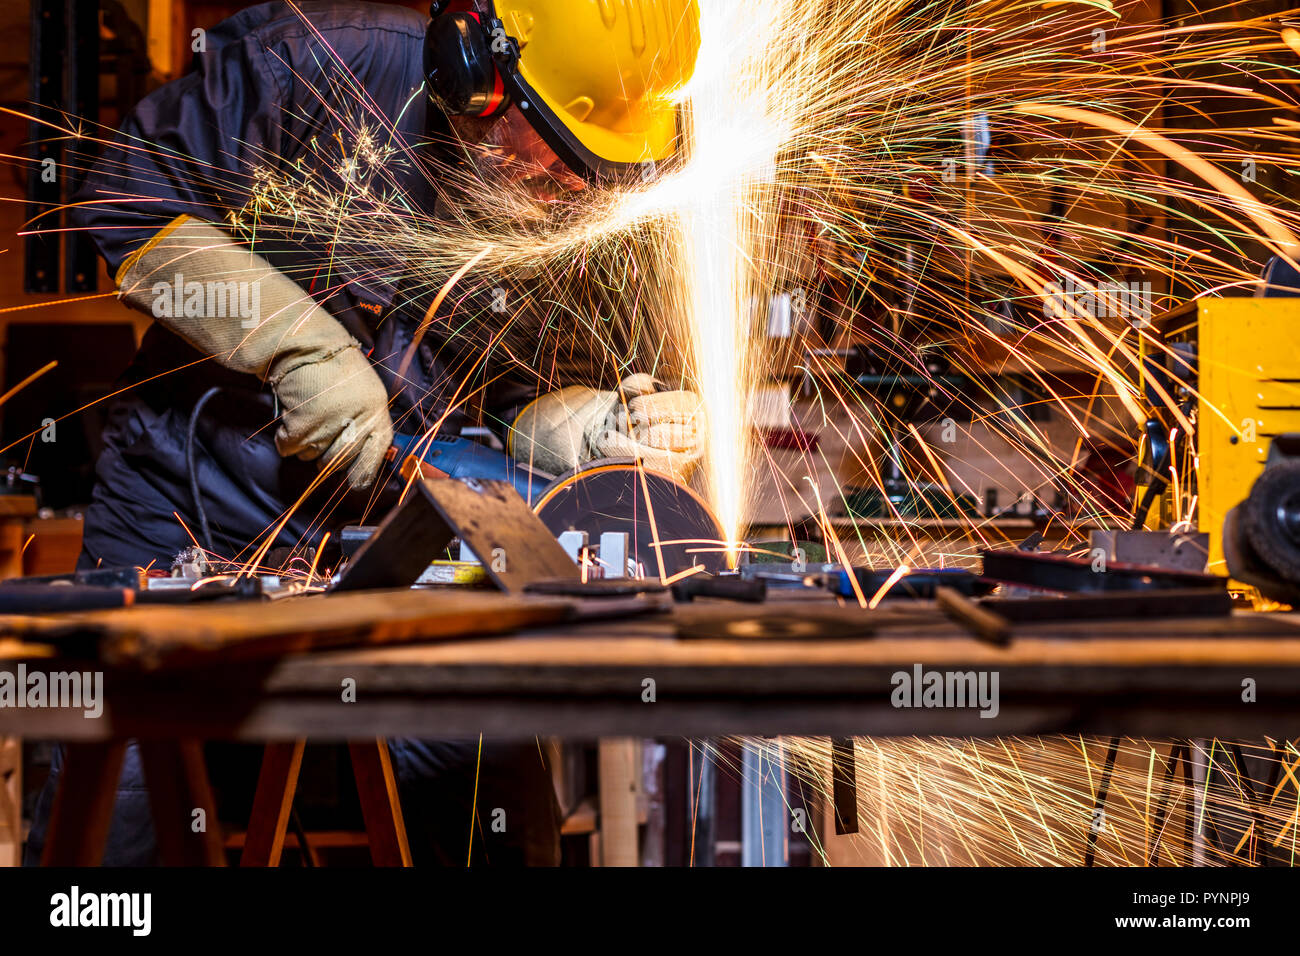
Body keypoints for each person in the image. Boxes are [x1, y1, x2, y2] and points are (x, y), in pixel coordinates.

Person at [25, 0, 703, 866]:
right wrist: (289, 343)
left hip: (398, 542)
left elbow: (501, 399)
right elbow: (123, 200)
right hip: (190, 507)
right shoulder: (322, 65)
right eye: (563, 154)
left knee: (485, 787)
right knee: (113, 810)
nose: (579, 189)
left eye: (600, 170)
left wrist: (578, 428)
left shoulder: (576, 200)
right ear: (479, 75)